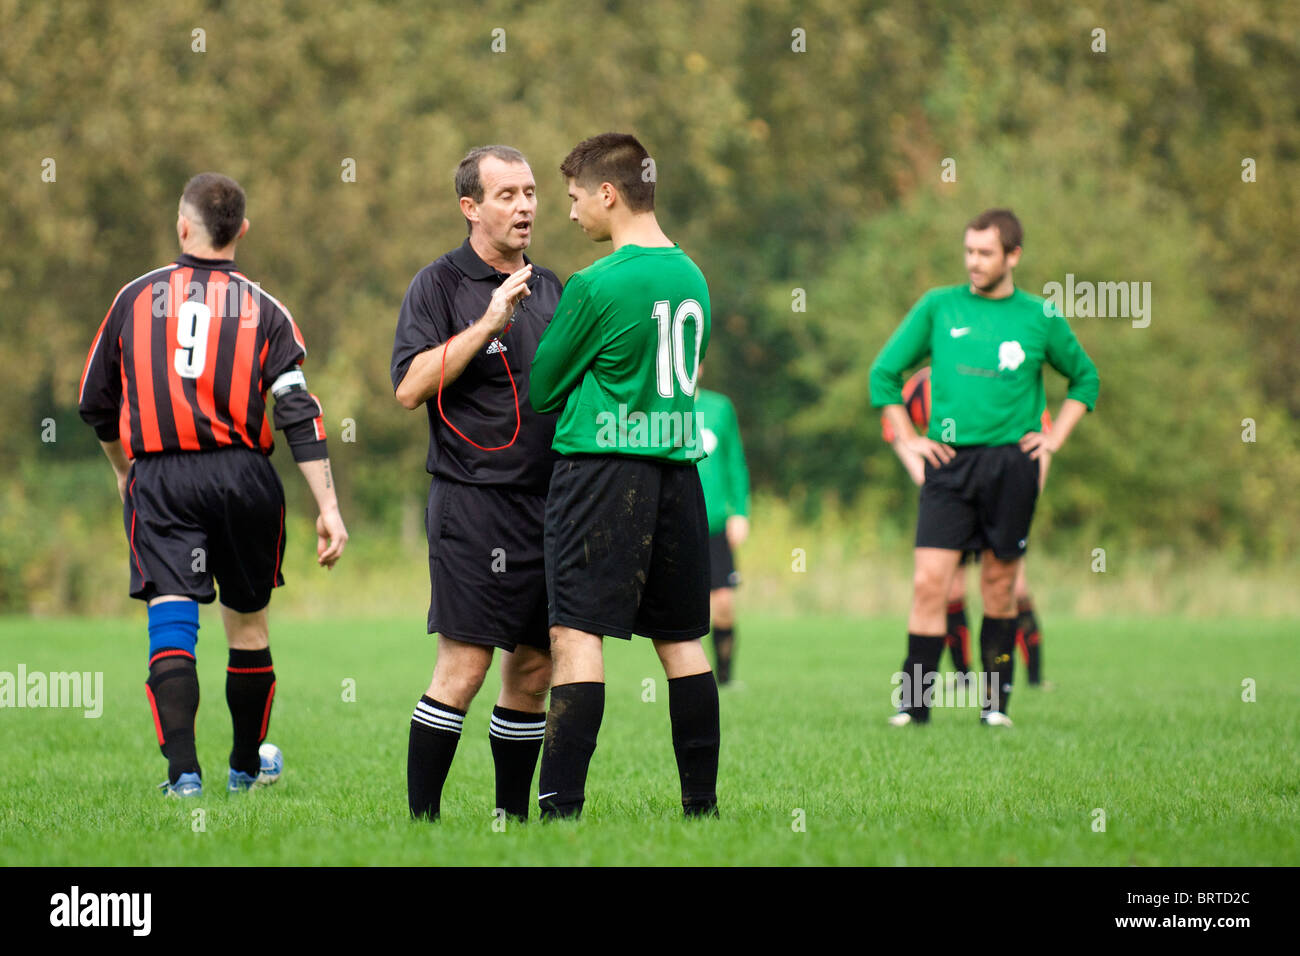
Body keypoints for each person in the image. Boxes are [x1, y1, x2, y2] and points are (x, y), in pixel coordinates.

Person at [78, 172, 348, 797]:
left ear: (183, 226)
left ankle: (184, 777)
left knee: (171, 620)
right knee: (248, 628)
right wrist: (327, 506)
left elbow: (94, 403)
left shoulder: (135, 298)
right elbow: (297, 411)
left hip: (164, 478)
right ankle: (246, 770)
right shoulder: (266, 308)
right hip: (244, 479)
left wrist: (125, 471)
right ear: (242, 231)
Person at [529, 132, 718, 819]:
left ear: (607, 193)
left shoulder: (594, 283)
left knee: (577, 635)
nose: (571, 212)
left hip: (601, 476)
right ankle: (701, 807)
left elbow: (544, 388)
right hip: (677, 473)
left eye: (575, 198)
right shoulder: (692, 275)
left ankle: (560, 810)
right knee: (681, 641)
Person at [869, 209, 1097, 728]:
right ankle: (914, 705)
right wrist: (909, 437)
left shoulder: (1040, 317)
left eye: (985, 253)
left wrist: (1053, 439)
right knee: (930, 582)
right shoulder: (938, 307)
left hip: (1012, 466)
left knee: (999, 586)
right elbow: (883, 374)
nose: (974, 262)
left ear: (1012, 256)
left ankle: (995, 707)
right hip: (949, 465)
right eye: (969, 251)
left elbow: (1085, 380)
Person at [391, 145, 563, 822]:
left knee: (534, 671)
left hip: (551, 505)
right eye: (507, 195)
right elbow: (409, 388)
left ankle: (509, 822)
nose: (524, 206)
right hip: (472, 504)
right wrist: (486, 324)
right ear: (470, 208)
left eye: (530, 193)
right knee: (465, 669)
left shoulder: (555, 288)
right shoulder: (436, 286)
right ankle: (423, 826)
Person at [883, 367, 1052, 685]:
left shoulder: (1009, 375)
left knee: (1012, 587)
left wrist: (1030, 489)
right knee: (948, 588)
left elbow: (1042, 437)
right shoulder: (922, 384)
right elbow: (893, 427)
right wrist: (921, 473)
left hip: (998, 494)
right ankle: (962, 678)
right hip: (953, 498)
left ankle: (1031, 679)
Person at [695, 387, 750, 685]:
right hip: (678, 523)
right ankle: (691, 678)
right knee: (684, 607)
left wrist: (740, 511)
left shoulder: (720, 407)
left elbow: (734, 461)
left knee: (724, 602)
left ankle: (726, 677)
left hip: (716, 523)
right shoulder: (659, 406)